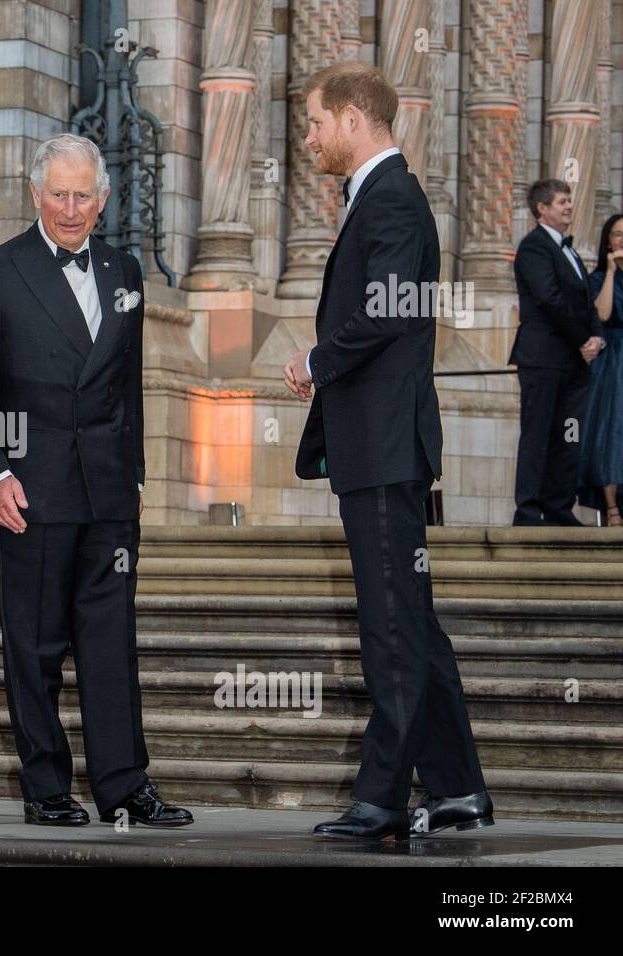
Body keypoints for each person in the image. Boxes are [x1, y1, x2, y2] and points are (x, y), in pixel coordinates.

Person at [283, 62, 491, 841]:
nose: (308, 139)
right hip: (377, 448)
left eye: (314, 123)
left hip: (384, 449)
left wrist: (314, 359)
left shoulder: (394, 200)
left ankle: (382, 798)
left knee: (390, 627)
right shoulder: (381, 199)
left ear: (352, 119)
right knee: (412, 620)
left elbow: (386, 316)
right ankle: (459, 788)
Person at [0, 133, 193, 828]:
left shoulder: (125, 270)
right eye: (58, 194)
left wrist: (133, 474)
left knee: (110, 644)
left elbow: (126, 385)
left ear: (103, 199)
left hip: (106, 493)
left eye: (83, 196)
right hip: (28, 491)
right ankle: (45, 791)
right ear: (35, 194)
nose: (71, 209)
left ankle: (126, 787)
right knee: (32, 647)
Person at [510, 179, 605, 525]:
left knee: (568, 434)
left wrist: (596, 336)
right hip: (543, 359)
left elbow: (584, 300)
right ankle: (529, 509)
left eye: (569, 201)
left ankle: (559, 506)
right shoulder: (534, 248)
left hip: (573, 363)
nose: (568, 206)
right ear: (542, 209)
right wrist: (582, 340)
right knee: (537, 433)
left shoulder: (572, 252)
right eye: (562, 201)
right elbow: (549, 299)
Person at [578, 213, 623, 525]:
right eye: (618, 234)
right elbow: (603, 315)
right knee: (610, 431)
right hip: (613, 361)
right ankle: (612, 509)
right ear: (608, 240)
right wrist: (610, 271)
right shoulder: (597, 278)